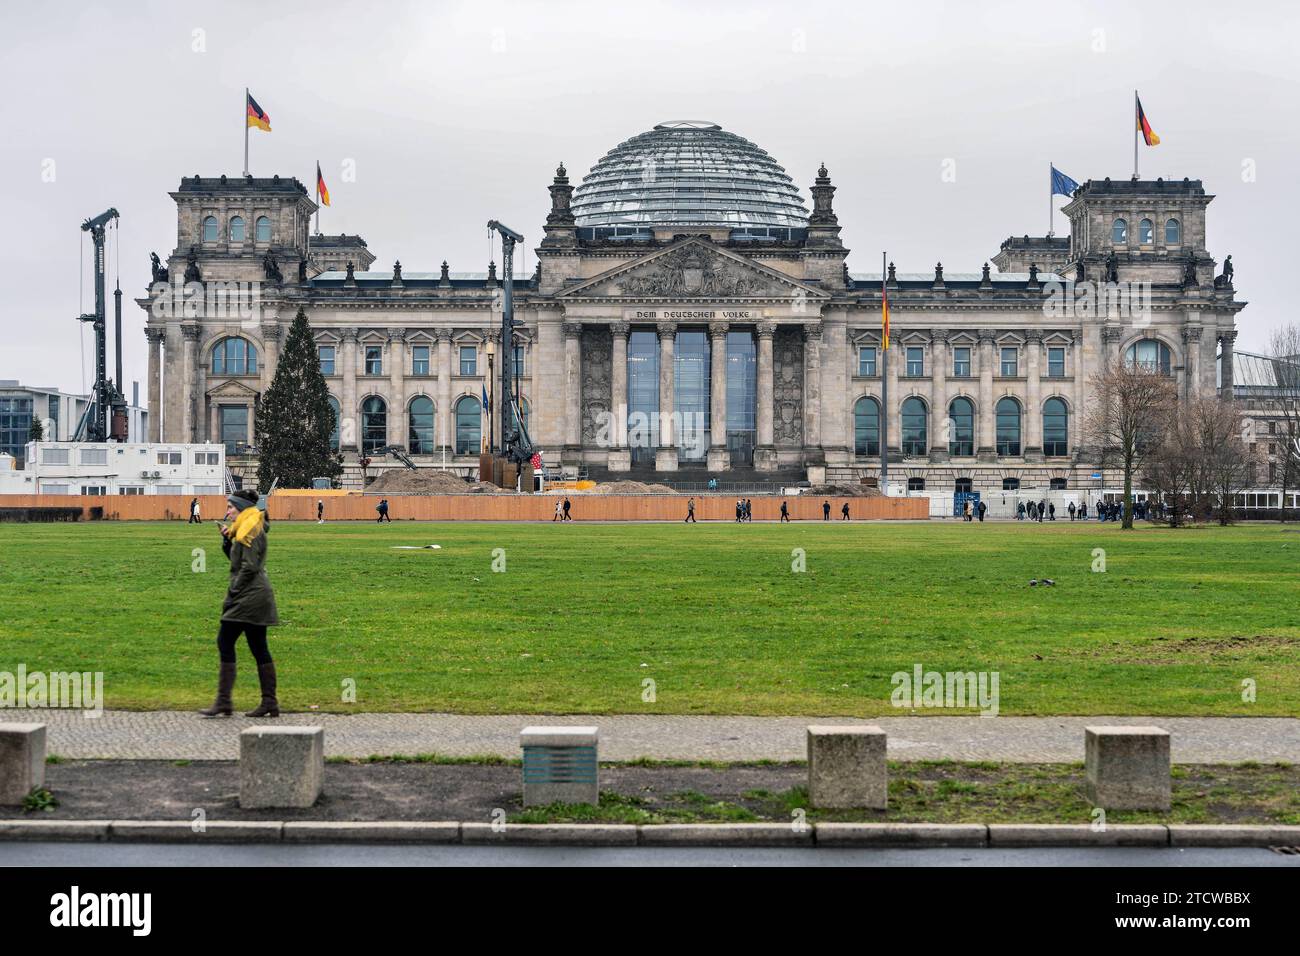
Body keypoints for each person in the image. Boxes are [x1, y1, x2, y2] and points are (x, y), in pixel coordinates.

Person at [199, 488, 280, 719]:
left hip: (250, 595)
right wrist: (227, 541)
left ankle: (226, 702)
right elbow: (237, 561)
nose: (227, 511)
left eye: (230, 507)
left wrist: (234, 590)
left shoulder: (250, 529)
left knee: (226, 640)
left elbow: (250, 566)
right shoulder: (243, 527)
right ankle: (268, 702)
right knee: (257, 646)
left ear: (241, 508)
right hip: (253, 593)